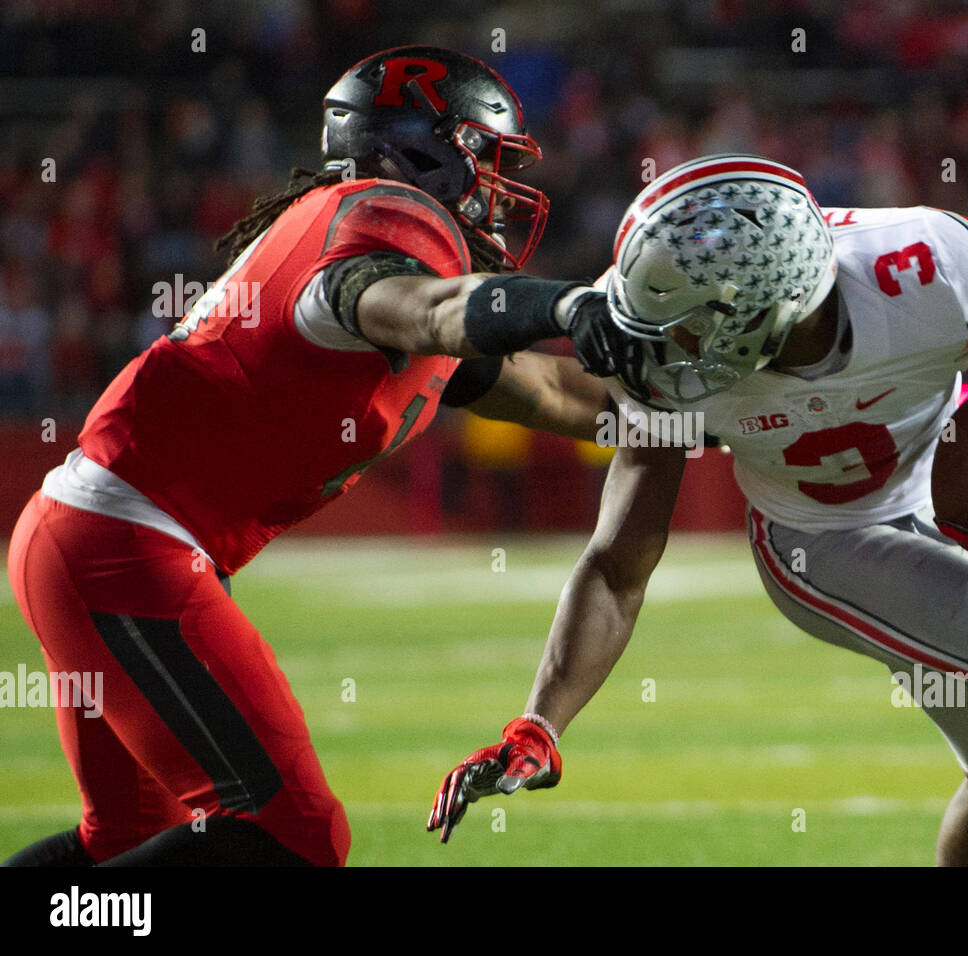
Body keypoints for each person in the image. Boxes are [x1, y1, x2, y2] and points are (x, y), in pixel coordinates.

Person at [431, 154, 968, 867]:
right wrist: (540, 723)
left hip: (935, 502)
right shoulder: (661, 357)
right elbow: (619, 563)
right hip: (822, 543)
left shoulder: (926, 269)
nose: (665, 343)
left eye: (689, 322)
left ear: (767, 306)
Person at [3, 46, 632, 867]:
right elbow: (429, 309)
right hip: (122, 543)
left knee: (129, 841)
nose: (495, 188)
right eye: (484, 156)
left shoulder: (387, 268)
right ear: (420, 152)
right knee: (291, 833)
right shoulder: (386, 221)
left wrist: (721, 415)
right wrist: (571, 302)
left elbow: (552, 391)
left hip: (94, 537)